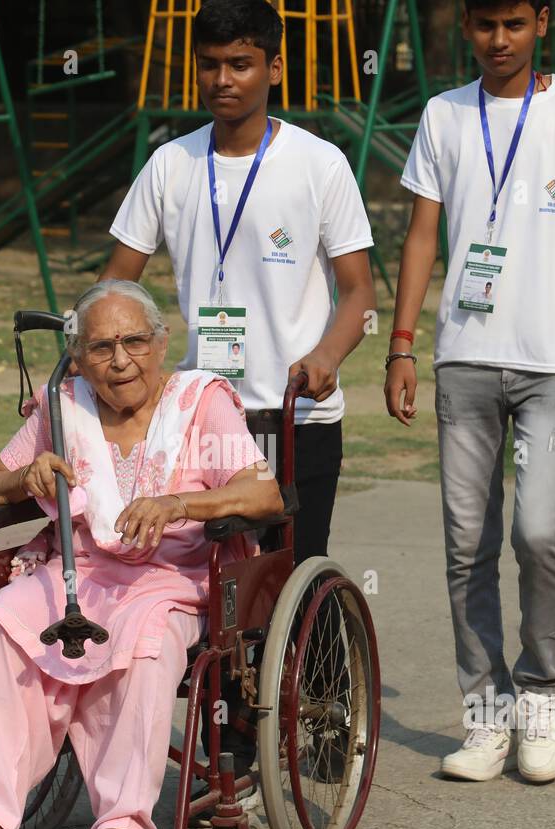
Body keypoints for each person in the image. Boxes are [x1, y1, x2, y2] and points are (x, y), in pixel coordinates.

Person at [100, 0, 375, 774]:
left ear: (274, 68)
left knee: (293, 570)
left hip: (296, 412)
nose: (224, 80)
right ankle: (228, 740)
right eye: (212, 65)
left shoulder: (320, 165)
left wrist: (325, 356)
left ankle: (323, 714)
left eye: (242, 64)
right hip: (200, 417)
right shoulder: (171, 165)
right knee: (214, 580)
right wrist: (101, 351)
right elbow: (116, 282)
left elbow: (358, 293)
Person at [384, 0, 555, 783]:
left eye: (515, 25)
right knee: (467, 546)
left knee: (537, 532)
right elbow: (423, 231)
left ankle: (544, 691)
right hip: (464, 356)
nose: (501, 41)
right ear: (468, 29)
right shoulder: (444, 113)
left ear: (542, 24)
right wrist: (400, 344)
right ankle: (487, 717)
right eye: (486, 25)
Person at [0, 280, 281, 829]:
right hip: (77, 574)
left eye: (134, 341)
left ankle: (124, 820)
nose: (120, 360)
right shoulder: (64, 406)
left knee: (142, 646)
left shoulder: (201, 402)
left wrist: (179, 503)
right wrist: (26, 478)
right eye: (102, 348)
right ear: (78, 358)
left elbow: (265, 494)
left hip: (174, 578)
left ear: (162, 342)